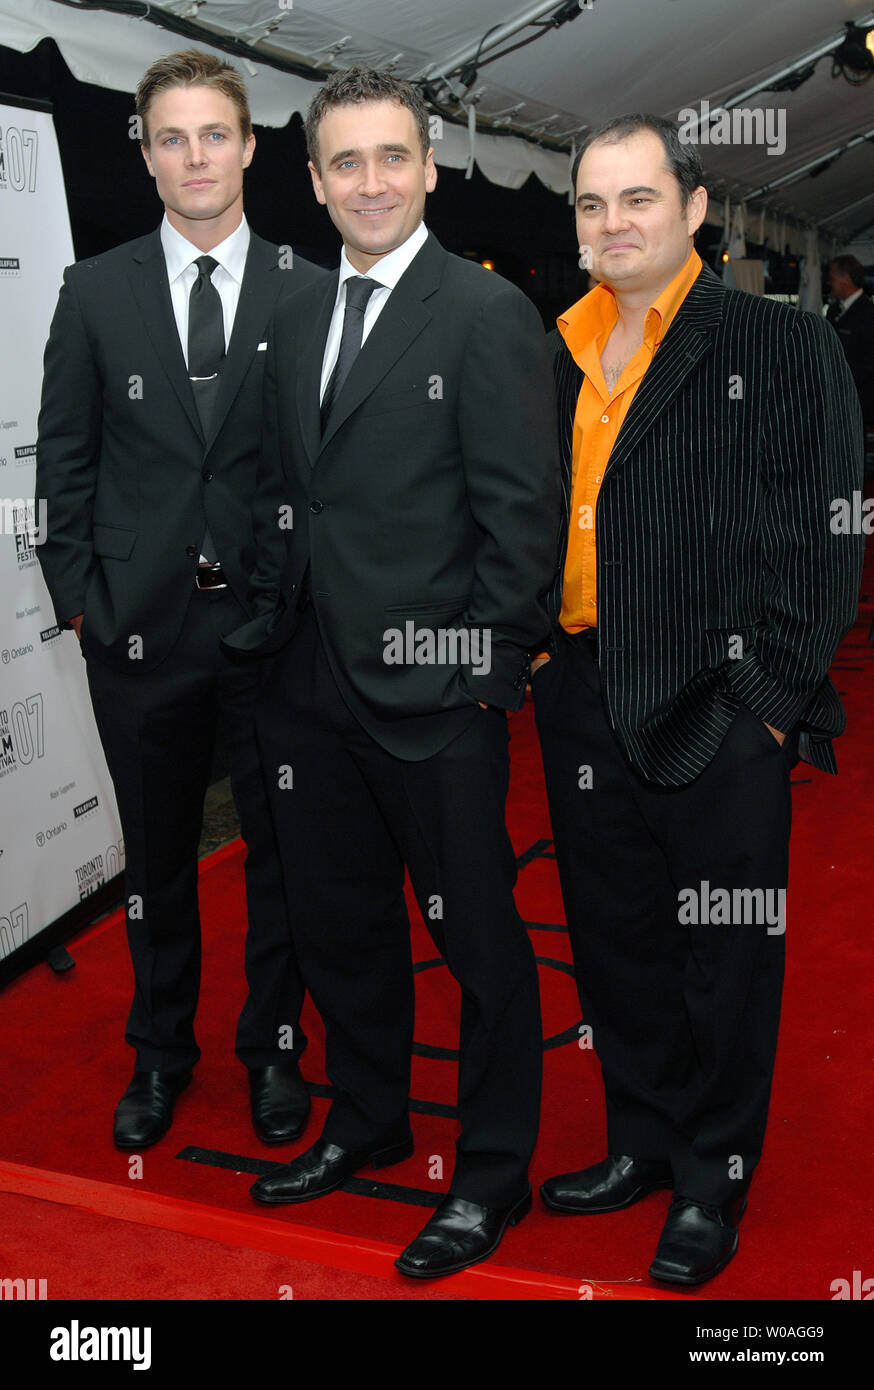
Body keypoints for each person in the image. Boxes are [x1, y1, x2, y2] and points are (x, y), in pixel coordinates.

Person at [223, 66, 560, 1279]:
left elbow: (523, 518)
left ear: (428, 169)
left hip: (437, 698)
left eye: (391, 158)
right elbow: (287, 489)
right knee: (341, 927)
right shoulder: (299, 313)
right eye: (345, 162)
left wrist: (480, 678)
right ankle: (365, 1123)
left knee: (479, 943)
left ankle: (487, 1177)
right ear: (313, 181)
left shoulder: (482, 317)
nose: (370, 182)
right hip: (307, 687)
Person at [531, 114, 864, 1286]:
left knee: (724, 954)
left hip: (718, 706)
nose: (612, 224)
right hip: (579, 694)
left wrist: (767, 704)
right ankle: (640, 1143)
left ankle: (712, 1178)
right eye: (590, 204)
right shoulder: (559, 343)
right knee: (615, 942)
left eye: (635, 199)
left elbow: (827, 538)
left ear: (693, 207)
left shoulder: (778, 342)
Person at [36, 49, 324, 1151]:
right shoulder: (93, 289)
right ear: (147, 154)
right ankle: (160, 1054)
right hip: (137, 629)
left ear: (250, 148)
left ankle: (273, 1051)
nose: (195, 156)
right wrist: (79, 600)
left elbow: (320, 466)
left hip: (274, 630)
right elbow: (64, 457)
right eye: (172, 137)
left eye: (215, 134)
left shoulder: (306, 289)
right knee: (154, 861)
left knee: (281, 855)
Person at [826, 255, 874, 432]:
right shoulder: (833, 311)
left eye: (832, 277)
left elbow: (868, 362)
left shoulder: (868, 313)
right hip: (835, 398)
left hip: (858, 399)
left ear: (846, 278)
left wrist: (841, 379)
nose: (829, 282)